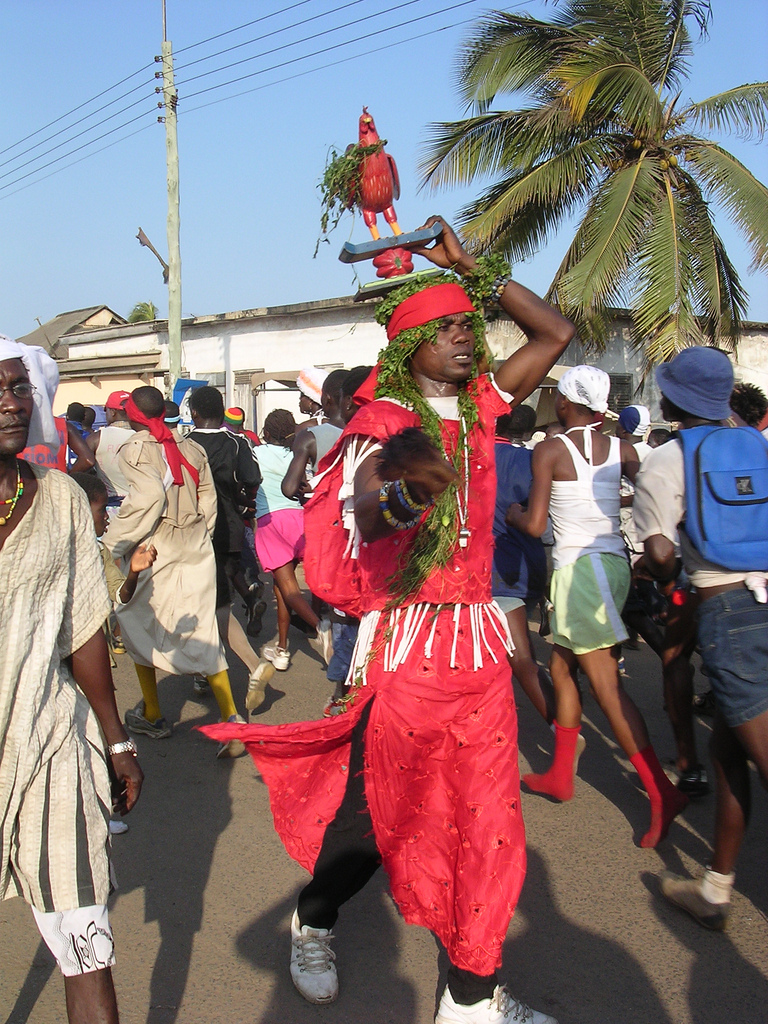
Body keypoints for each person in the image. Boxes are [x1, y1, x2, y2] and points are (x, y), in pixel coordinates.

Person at [205, 217, 575, 1024]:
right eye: (445, 330)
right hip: (405, 645)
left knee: (486, 821)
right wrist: (411, 488)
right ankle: (315, 917)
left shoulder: (482, 405)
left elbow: (557, 330)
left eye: (468, 326)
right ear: (408, 345)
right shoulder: (382, 426)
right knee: (381, 819)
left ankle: (471, 1000)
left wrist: (469, 267)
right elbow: (367, 520)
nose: (466, 340)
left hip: (476, 643)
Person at [0, 335, 143, 1024]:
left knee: (86, 942)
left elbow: (83, 628)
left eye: (17, 387)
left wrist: (116, 742)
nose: (9, 401)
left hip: (52, 738)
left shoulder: (59, 497)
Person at [507, 366, 688, 848]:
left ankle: (661, 792)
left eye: (558, 399)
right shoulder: (624, 448)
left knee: (607, 688)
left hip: (579, 574)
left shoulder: (549, 449)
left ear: (567, 403)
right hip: (610, 567)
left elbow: (535, 523)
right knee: (562, 669)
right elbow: (655, 491)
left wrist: (513, 513)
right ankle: (561, 774)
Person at [633, 346, 768, 930]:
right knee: (727, 750)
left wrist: (660, 571)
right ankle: (715, 889)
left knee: (758, 754)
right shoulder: (754, 444)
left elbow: (661, 553)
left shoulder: (668, 459)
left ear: (670, 400)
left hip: (727, 610)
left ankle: (716, 893)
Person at [104, 386, 246, 758]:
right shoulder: (191, 447)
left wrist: (116, 540)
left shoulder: (136, 449)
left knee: (134, 619)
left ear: (133, 414)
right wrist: (202, 537)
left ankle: (152, 713)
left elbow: (147, 498)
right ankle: (232, 718)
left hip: (157, 545)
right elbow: (208, 501)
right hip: (196, 543)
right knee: (203, 630)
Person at [187, 386, 273, 711]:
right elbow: (253, 478)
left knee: (207, 603)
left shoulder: (184, 444)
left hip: (194, 530)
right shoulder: (237, 442)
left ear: (193, 413)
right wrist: (240, 501)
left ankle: (236, 666)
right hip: (229, 530)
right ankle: (203, 669)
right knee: (215, 599)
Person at [253, 409, 333, 672]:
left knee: (288, 590)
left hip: (271, 522)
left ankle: (320, 627)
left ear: (266, 432)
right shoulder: (297, 454)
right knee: (281, 589)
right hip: (301, 520)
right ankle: (282, 649)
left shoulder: (258, 453)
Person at [492, 405, 555, 725]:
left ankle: (563, 727)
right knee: (511, 652)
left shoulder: (473, 459)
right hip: (532, 565)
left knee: (520, 657)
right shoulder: (533, 461)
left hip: (496, 570)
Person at [282, 369, 348, 501]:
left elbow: (289, 489)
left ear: (326, 398)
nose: (299, 400)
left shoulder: (308, 433)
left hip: (321, 506)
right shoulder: (364, 431)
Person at [88, 390, 134, 510]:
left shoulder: (96, 438)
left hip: (110, 504)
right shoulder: (144, 436)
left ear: (113, 412)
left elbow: (85, 464)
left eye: (106, 410)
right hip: (139, 503)